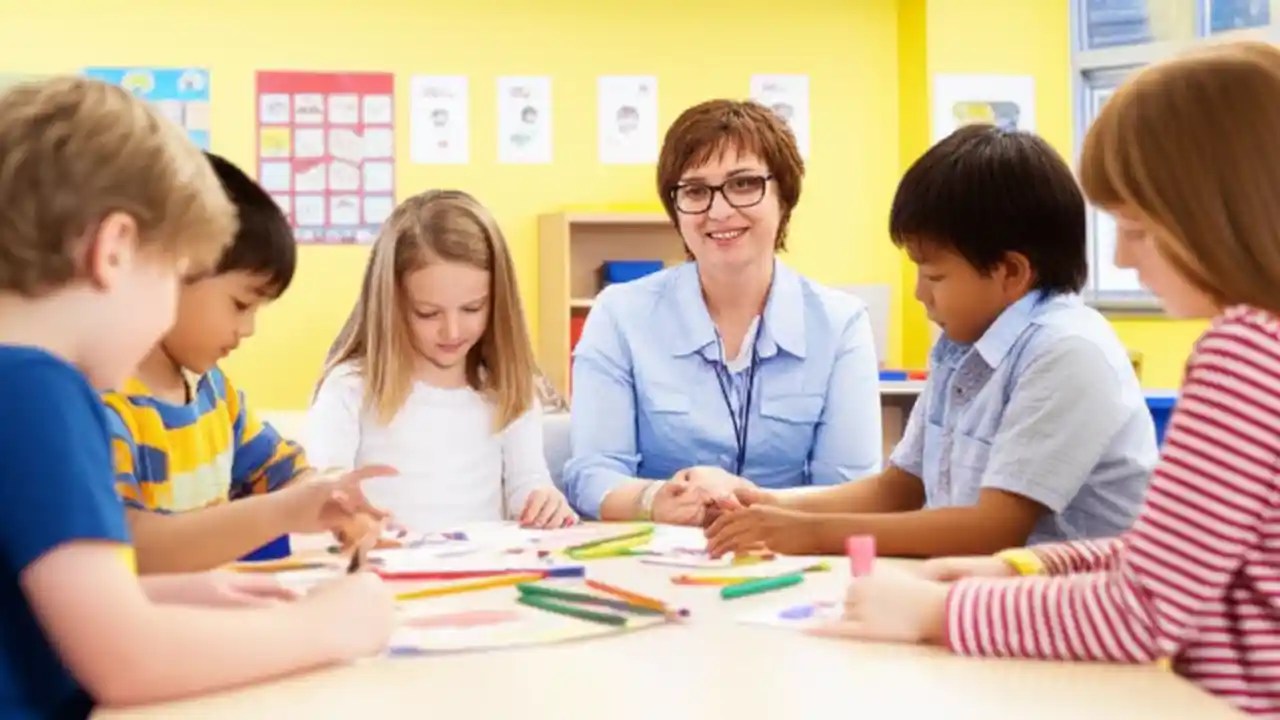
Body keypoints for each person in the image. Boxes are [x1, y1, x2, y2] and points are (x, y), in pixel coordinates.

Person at [822, 41, 1280, 719]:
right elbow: (1165, 554)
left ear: (1219, 214)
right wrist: (1025, 568)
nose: (1122, 257)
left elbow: (1143, 612)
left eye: (1135, 227)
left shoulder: (1243, 353)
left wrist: (942, 610)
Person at [0, 76, 392, 719]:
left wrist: (178, 593)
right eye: (175, 277)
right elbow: (127, 661)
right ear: (114, 250)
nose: (166, 314)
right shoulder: (40, 392)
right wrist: (329, 627)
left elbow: (31, 610)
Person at [705, 124, 1156, 558]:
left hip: (1062, 607)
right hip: (982, 588)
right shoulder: (962, 347)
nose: (921, 294)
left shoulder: (1067, 353)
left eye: (934, 275)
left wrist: (812, 533)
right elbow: (898, 488)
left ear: (1012, 273)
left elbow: (993, 529)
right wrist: (767, 505)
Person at [562, 99, 883, 524]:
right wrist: (654, 498)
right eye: (695, 191)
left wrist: (750, 499)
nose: (719, 210)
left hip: (791, 555)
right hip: (655, 558)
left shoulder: (841, 324)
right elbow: (592, 473)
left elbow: (851, 491)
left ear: (783, 195)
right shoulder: (619, 314)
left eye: (744, 184)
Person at [102, 151, 394, 574]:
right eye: (240, 304)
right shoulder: (108, 401)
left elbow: (285, 473)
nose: (249, 328)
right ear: (170, 270)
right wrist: (282, 512)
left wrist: (332, 499)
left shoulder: (214, 394)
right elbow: (127, 546)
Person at [307, 190, 577, 532]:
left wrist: (544, 500)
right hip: (384, 572)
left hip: (486, 572)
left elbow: (527, 484)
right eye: (428, 313)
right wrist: (341, 506)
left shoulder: (507, 388)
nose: (452, 331)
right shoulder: (351, 387)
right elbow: (324, 485)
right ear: (391, 304)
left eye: (472, 309)